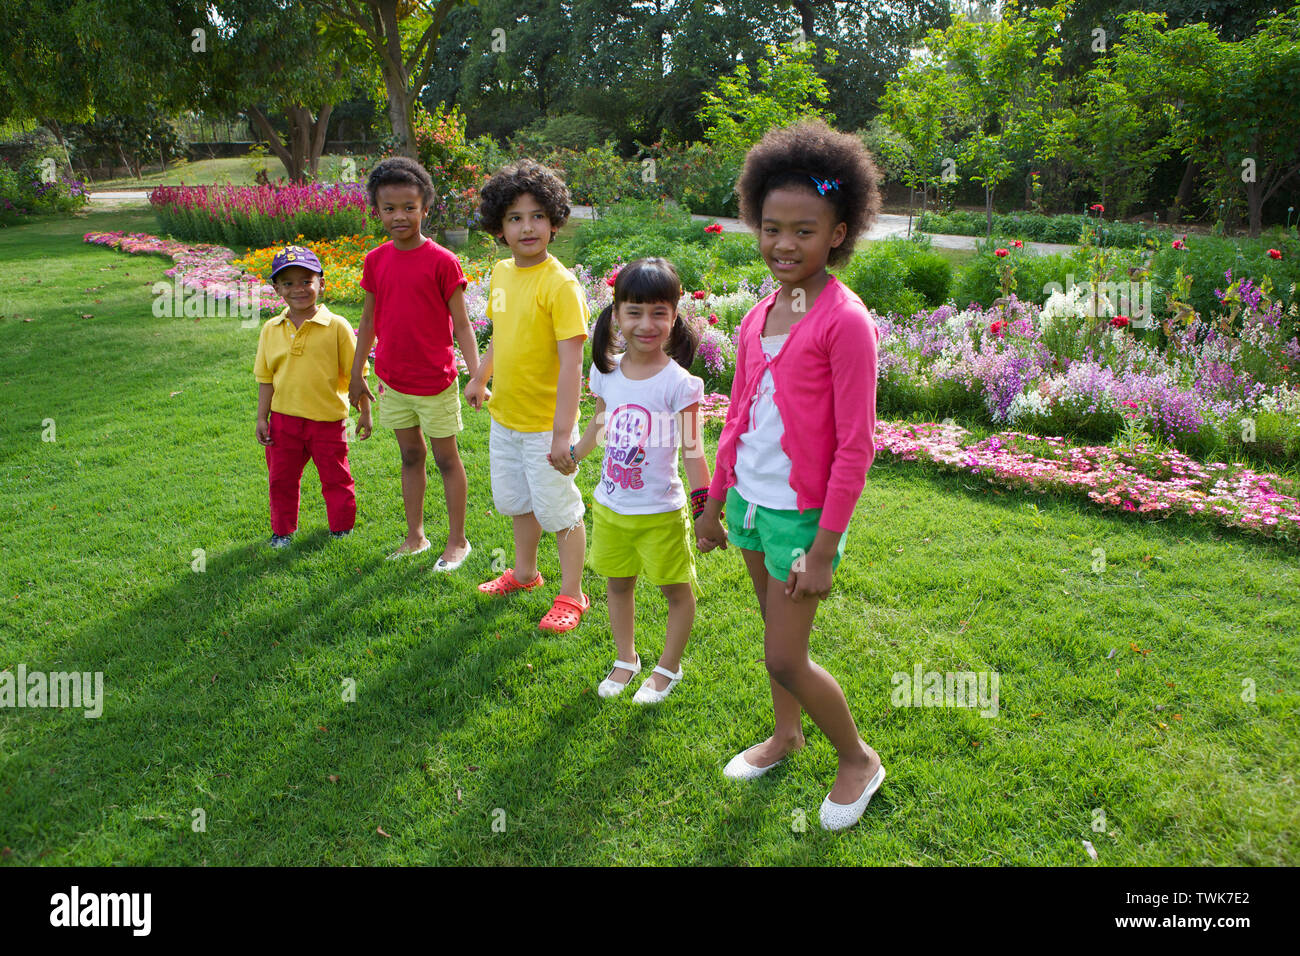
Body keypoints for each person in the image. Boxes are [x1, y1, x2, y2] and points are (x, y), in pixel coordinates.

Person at [694, 120, 886, 831]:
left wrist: (827, 547)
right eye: (771, 227)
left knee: (784, 655)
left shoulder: (845, 323)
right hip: (749, 502)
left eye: (804, 231)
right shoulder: (758, 316)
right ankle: (787, 735)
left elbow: (856, 446)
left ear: (839, 232)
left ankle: (859, 758)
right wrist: (716, 503)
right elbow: (738, 416)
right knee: (772, 635)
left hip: (802, 518)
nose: (783, 244)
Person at [560, 258, 708, 703]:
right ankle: (626, 659)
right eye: (635, 311)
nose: (647, 323)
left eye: (659, 312)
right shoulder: (606, 372)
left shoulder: (680, 384)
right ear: (617, 313)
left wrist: (706, 513)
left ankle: (668, 668)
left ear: (675, 316)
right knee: (618, 583)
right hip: (611, 506)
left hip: (660, 513)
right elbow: (600, 422)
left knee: (675, 590)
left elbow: (694, 451)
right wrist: (575, 454)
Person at [464, 159, 591, 632]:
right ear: (499, 227)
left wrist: (563, 436)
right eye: (515, 218)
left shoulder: (560, 286)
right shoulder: (501, 274)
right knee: (518, 502)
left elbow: (573, 365)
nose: (527, 227)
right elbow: (502, 333)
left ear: (555, 221)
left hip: (546, 427)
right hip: (506, 418)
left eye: (538, 215)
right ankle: (524, 574)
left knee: (559, 510)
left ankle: (573, 594)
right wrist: (480, 376)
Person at [348, 157, 479, 570]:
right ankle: (415, 537)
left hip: (435, 382)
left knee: (445, 459)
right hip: (394, 380)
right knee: (410, 456)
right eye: (389, 208)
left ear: (426, 208)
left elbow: (461, 324)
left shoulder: (442, 261)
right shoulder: (375, 260)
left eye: (409, 207)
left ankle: (457, 541)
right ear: (377, 211)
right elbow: (368, 319)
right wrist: (356, 374)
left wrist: (477, 376)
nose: (399, 216)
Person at [255, 245, 370, 548]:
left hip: (327, 421)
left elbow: (358, 375)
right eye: (289, 283)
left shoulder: (337, 326)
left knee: (335, 478)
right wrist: (261, 417)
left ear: (321, 283)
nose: (299, 289)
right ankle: (282, 531)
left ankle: (342, 527)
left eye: (307, 281)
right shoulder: (271, 329)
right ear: (277, 288)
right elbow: (266, 378)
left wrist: (365, 412)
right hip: (283, 422)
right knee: (281, 480)